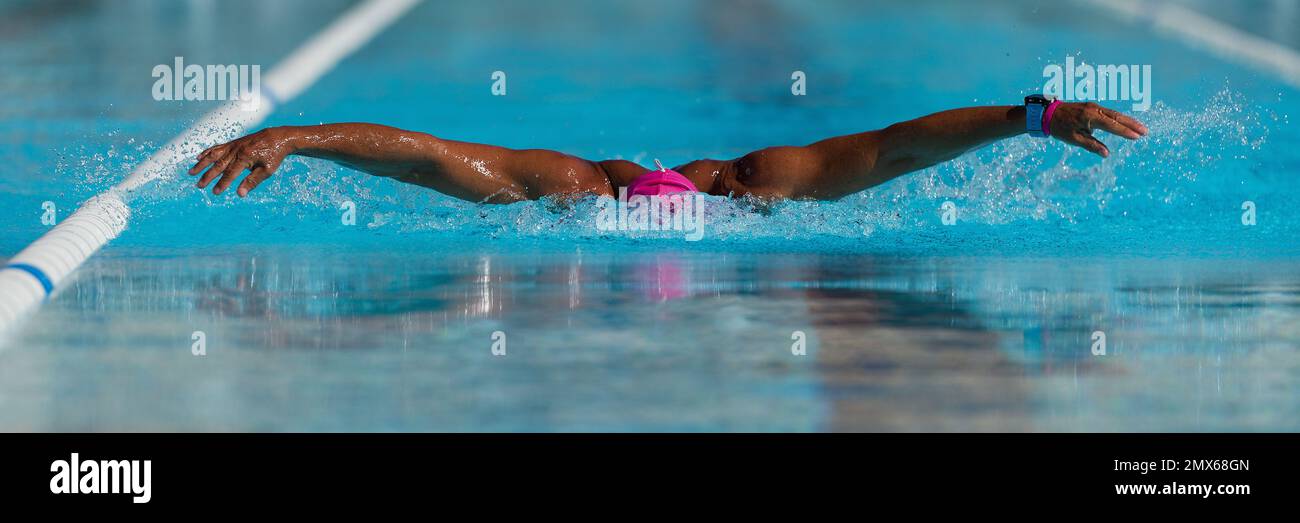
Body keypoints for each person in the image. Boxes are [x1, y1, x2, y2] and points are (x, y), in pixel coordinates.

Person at [189, 99, 1147, 202]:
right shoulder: (574, 192)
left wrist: (1034, 117)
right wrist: (290, 137)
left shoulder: (754, 187)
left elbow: (893, 150)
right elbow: (428, 155)